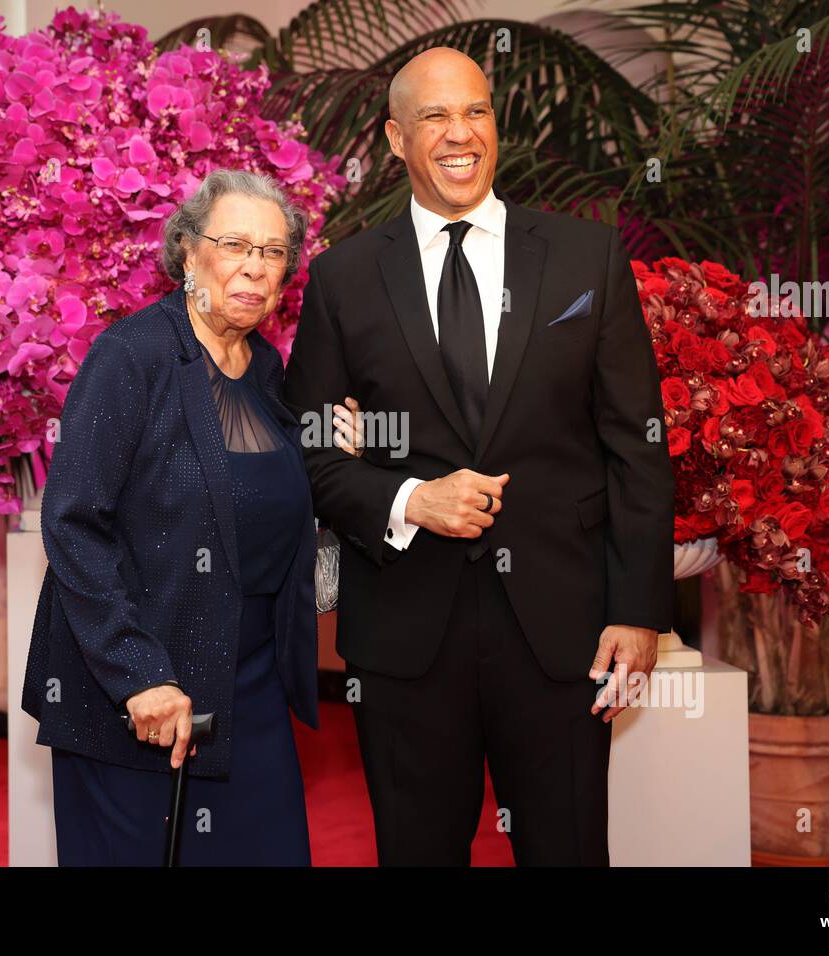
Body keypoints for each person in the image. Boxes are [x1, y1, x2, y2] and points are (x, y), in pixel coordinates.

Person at [283, 47, 675, 865]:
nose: (460, 133)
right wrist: (407, 501)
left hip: (563, 632)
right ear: (396, 138)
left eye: (476, 112)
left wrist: (639, 614)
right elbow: (310, 452)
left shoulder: (585, 258)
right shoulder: (342, 278)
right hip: (403, 638)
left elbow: (636, 444)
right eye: (434, 116)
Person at [21, 169, 331, 866]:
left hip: (248, 683)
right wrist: (139, 675)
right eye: (236, 244)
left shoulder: (265, 369)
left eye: (275, 251)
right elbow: (73, 521)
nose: (256, 265)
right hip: (139, 693)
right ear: (189, 253)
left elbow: (267, 504)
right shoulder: (131, 357)